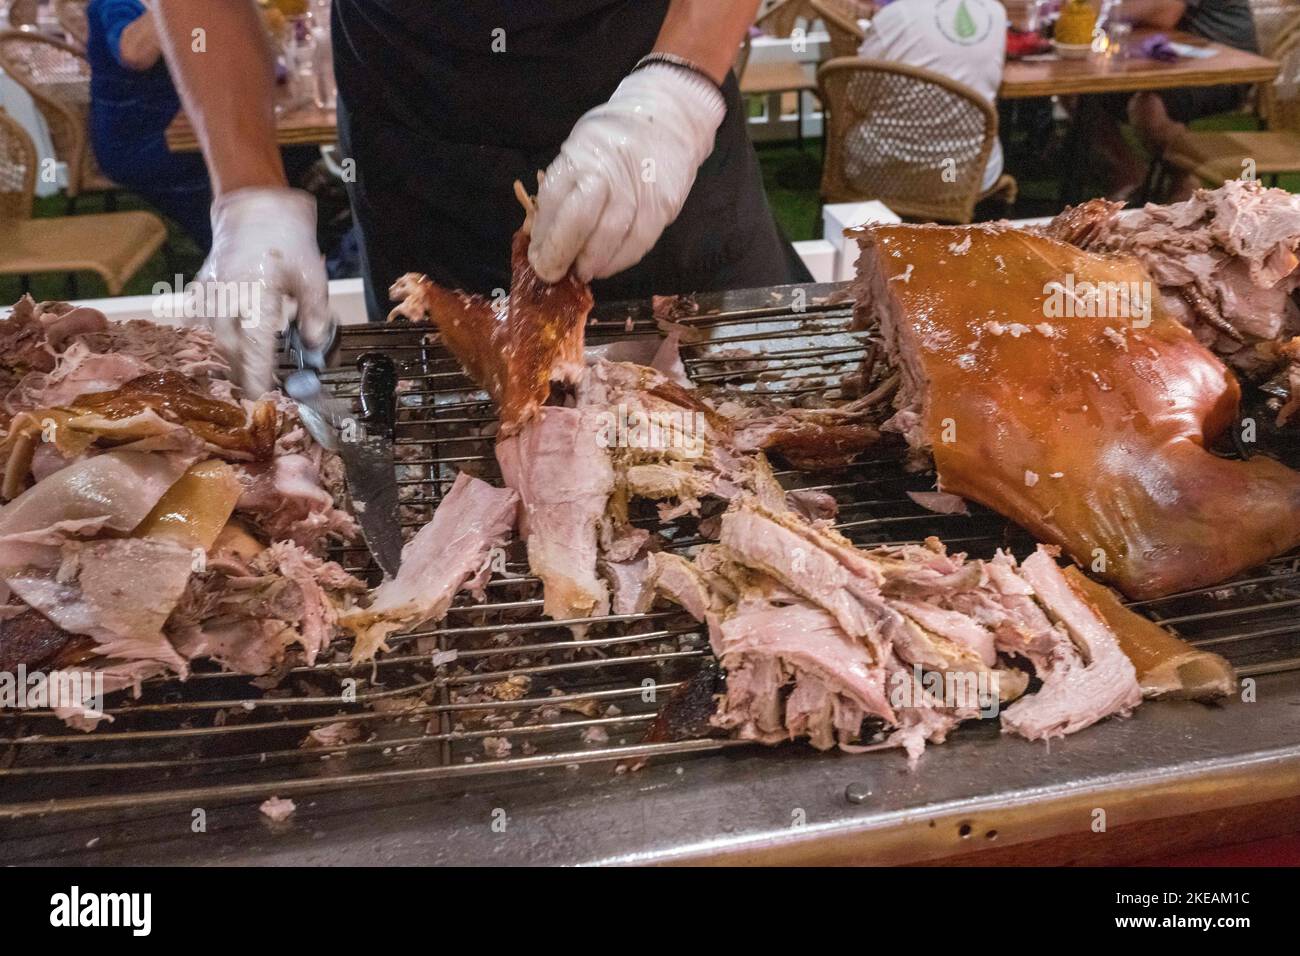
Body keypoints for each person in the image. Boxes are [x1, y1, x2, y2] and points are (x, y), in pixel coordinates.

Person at [151, 1, 805, 396]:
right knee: (439, 440)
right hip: (416, 126)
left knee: (743, 426)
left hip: (653, 98)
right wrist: (248, 194)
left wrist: (681, 86)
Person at [1092, 0, 1260, 199]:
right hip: (1175, 61)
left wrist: (1084, 9)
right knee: (1083, 95)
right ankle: (1128, 173)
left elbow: (1165, 11)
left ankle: (1187, 187)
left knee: (1149, 106)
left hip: (1227, 67)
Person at [86, 0, 214, 248]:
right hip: (140, 145)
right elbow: (135, 53)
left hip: (181, 134)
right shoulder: (115, 4)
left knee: (279, 154)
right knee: (256, 158)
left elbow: (202, 49)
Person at [856, 0, 1009, 194]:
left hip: (889, 174)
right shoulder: (996, 13)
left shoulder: (894, 15)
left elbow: (858, 98)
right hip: (966, 174)